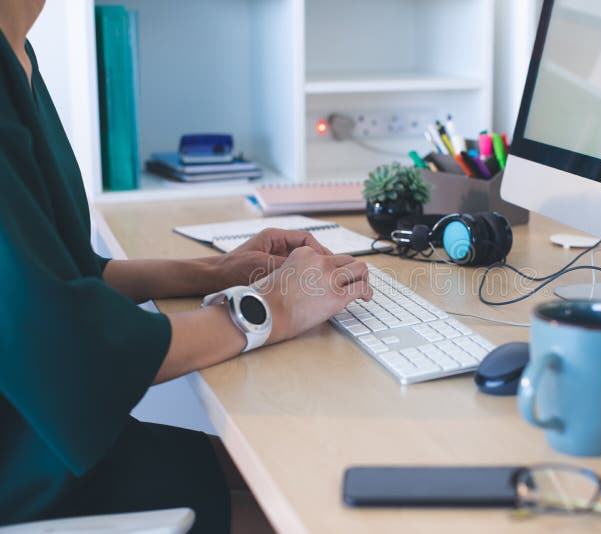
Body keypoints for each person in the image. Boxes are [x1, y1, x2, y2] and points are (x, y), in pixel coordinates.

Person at [0, 1, 372, 532]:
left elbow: (67, 271)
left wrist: (220, 273)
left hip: (44, 442)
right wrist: (271, 309)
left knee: (301, 469)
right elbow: (68, 355)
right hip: (24, 474)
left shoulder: (18, 46)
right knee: (318, 510)